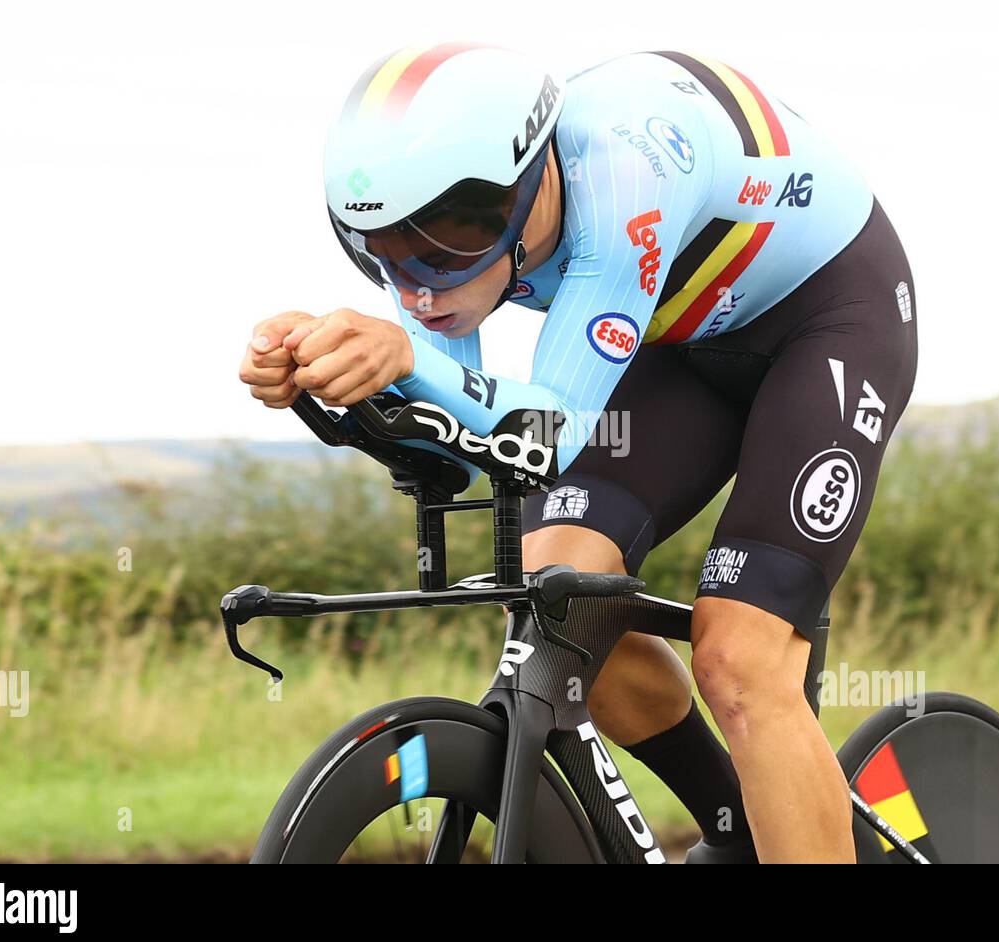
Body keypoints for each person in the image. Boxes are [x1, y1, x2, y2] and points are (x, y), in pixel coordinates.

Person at [239, 42, 918, 863]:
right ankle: (738, 824)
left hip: (828, 315)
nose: (419, 286)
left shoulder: (624, 176)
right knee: (556, 593)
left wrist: (409, 358)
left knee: (740, 658)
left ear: (531, 184)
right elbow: (462, 454)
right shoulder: (437, 243)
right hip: (679, 334)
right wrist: (335, 383)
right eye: (379, 247)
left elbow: (546, 433)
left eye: (453, 237)